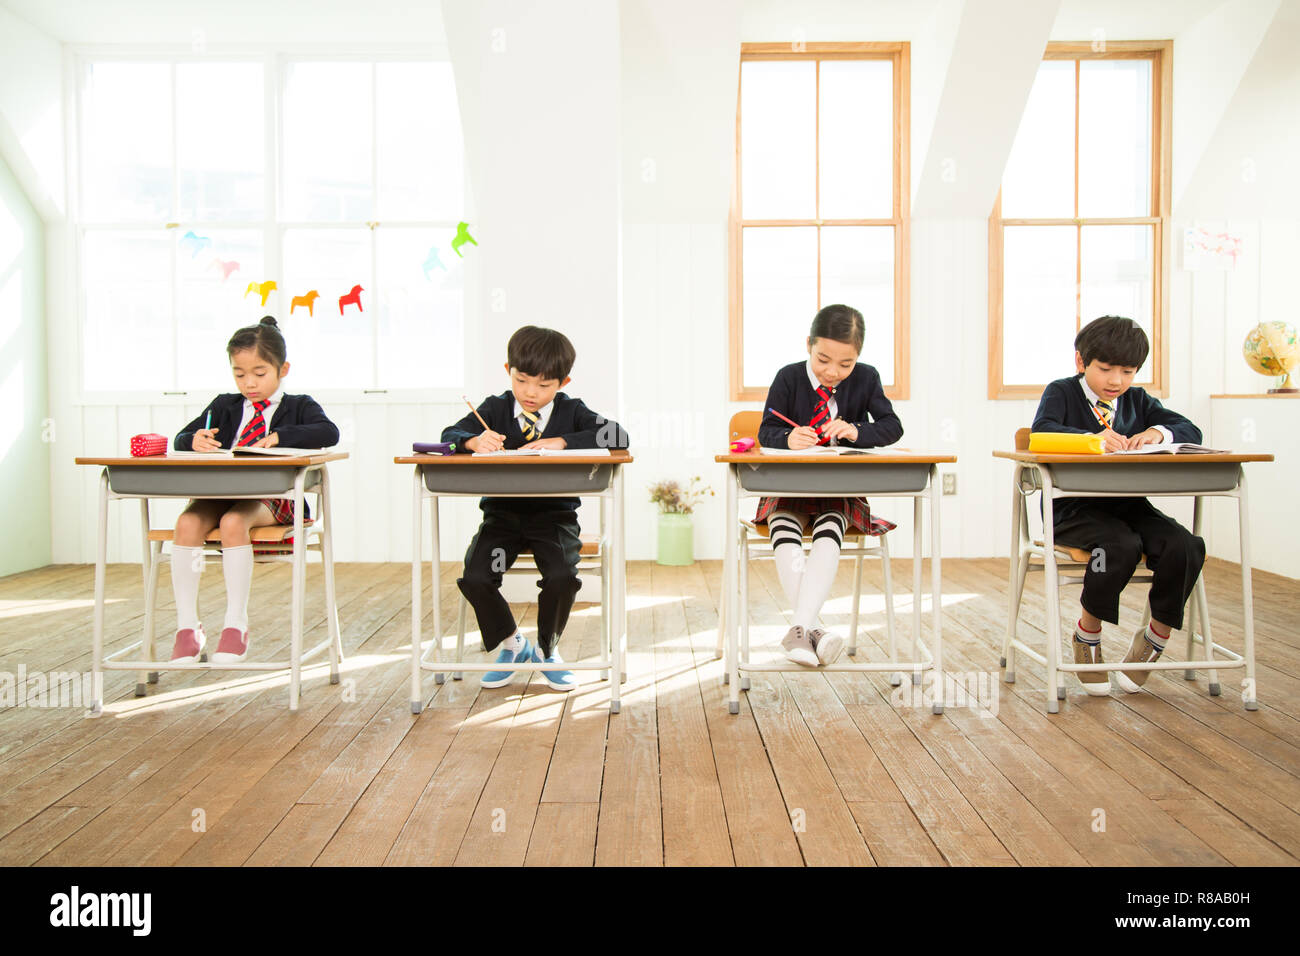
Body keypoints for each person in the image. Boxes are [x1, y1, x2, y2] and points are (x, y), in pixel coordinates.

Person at [442, 325, 629, 690]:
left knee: (561, 576)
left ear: (564, 381)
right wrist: (473, 442)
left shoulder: (571, 412)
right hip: (503, 519)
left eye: (544, 386)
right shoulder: (494, 409)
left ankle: (547, 649)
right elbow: (449, 435)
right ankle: (514, 644)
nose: (531, 393)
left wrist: (562, 440)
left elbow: (619, 436)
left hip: (555, 519)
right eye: (522, 380)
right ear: (508, 369)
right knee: (477, 575)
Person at [1032, 315, 1205, 695]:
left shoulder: (1138, 400)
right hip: (1073, 511)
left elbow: (1190, 430)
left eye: (1127, 372)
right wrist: (1093, 438)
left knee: (1186, 545)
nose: (1116, 381)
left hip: (1129, 507)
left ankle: (1155, 638)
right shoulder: (1061, 392)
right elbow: (1042, 432)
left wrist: (1156, 431)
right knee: (1117, 547)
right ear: (1081, 363)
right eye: (1105, 369)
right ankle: (1087, 634)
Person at [170, 316, 339, 665]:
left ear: (283, 369)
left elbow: (328, 432)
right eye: (239, 374)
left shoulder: (299, 406)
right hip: (221, 491)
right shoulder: (224, 406)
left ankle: (236, 625)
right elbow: (181, 438)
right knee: (186, 524)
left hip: (275, 497)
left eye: (259, 374)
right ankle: (187, 628)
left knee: (234, 522)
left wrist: (281, 437)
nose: (249, 383)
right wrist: (194, 440)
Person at [755, 304, 903, 667]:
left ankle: (800, 630)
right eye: (823, 359)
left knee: (831, 524)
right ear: (808, 345)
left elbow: (892, 426)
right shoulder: (788, 377)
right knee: (783, 523)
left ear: (858, 359)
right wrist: (788, 438)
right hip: (789, 489)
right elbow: (765, 431)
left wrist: (857, 431)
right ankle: (811, 630)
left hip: (840, 490)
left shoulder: (867, 379)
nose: (833, 372)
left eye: (845, 365)